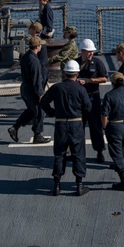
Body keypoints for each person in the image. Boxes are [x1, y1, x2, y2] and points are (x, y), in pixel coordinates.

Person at [39, 59, 91, 196]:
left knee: (59, 154)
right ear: (77, 74)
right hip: (76, 124)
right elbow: (88, 107)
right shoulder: (81, 89)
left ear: (64, 73)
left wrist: (52, 113)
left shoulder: (57, 88)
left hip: (61, 124)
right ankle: (79, 185)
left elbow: (43, 102)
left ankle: (56, 185)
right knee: (78, 154)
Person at [9, 36, 51, 144]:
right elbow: (36, 79)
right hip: (32, 90)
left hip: (25, 88)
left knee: (32, 111)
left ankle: (15, 127)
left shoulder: (26, 56)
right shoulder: (34, 61)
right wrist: (40, 94)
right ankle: (37, 135)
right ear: (37, 46)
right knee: (40, 112)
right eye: (40, 45)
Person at [76, 38, 108, 163]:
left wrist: (89, 81)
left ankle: (99, 151)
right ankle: (78, 152)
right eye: (89, 51)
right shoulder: (75, 63)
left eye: (92, 51)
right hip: (79, 99)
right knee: (79, 127)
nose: (91, 54)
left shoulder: (97, 63)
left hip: (93, 98)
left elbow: (104, 78)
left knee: (96, 126)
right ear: (82, 51)